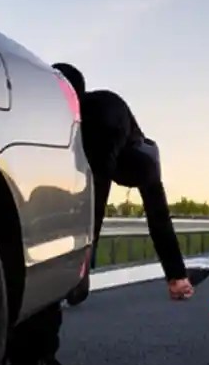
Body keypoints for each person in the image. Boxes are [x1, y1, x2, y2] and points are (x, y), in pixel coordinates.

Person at [0, 63, 192, 365]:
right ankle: (29, 360)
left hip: (42, 153)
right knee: (54, 252)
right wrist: (84, 262)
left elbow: (118, 196)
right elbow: (101, 189)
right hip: (70, 150)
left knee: (40, 246)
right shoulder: (114, 120)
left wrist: (175, 273)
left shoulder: (98, 122)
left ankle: (16, 354)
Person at [52, 62, 195, 303]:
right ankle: (177, 278)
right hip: (130, 143)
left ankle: (81, 273)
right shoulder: (98, 112)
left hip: (120, 141)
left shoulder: (94, 116)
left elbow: (96, 195)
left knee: (94, 195)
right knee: (155, 211)